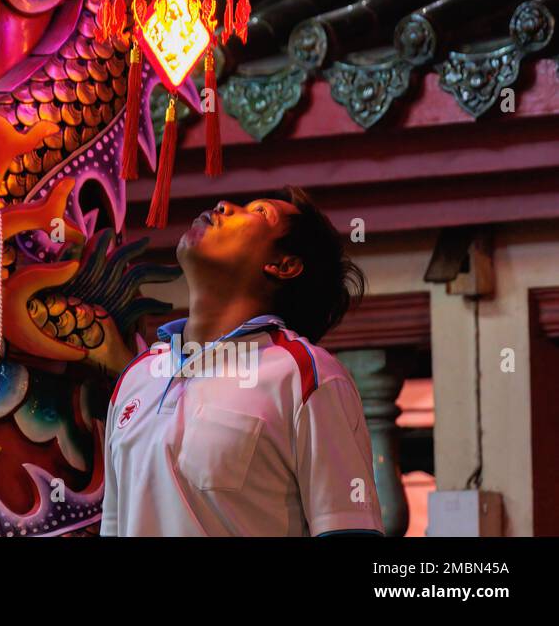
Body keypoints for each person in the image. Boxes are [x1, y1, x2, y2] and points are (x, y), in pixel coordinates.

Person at [101, 186, 384, 536]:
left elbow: (347, 530)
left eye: (260, 212)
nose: (223, 205)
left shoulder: (306, 375)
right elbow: (114, 527)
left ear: (284, 265)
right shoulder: (136, 376)